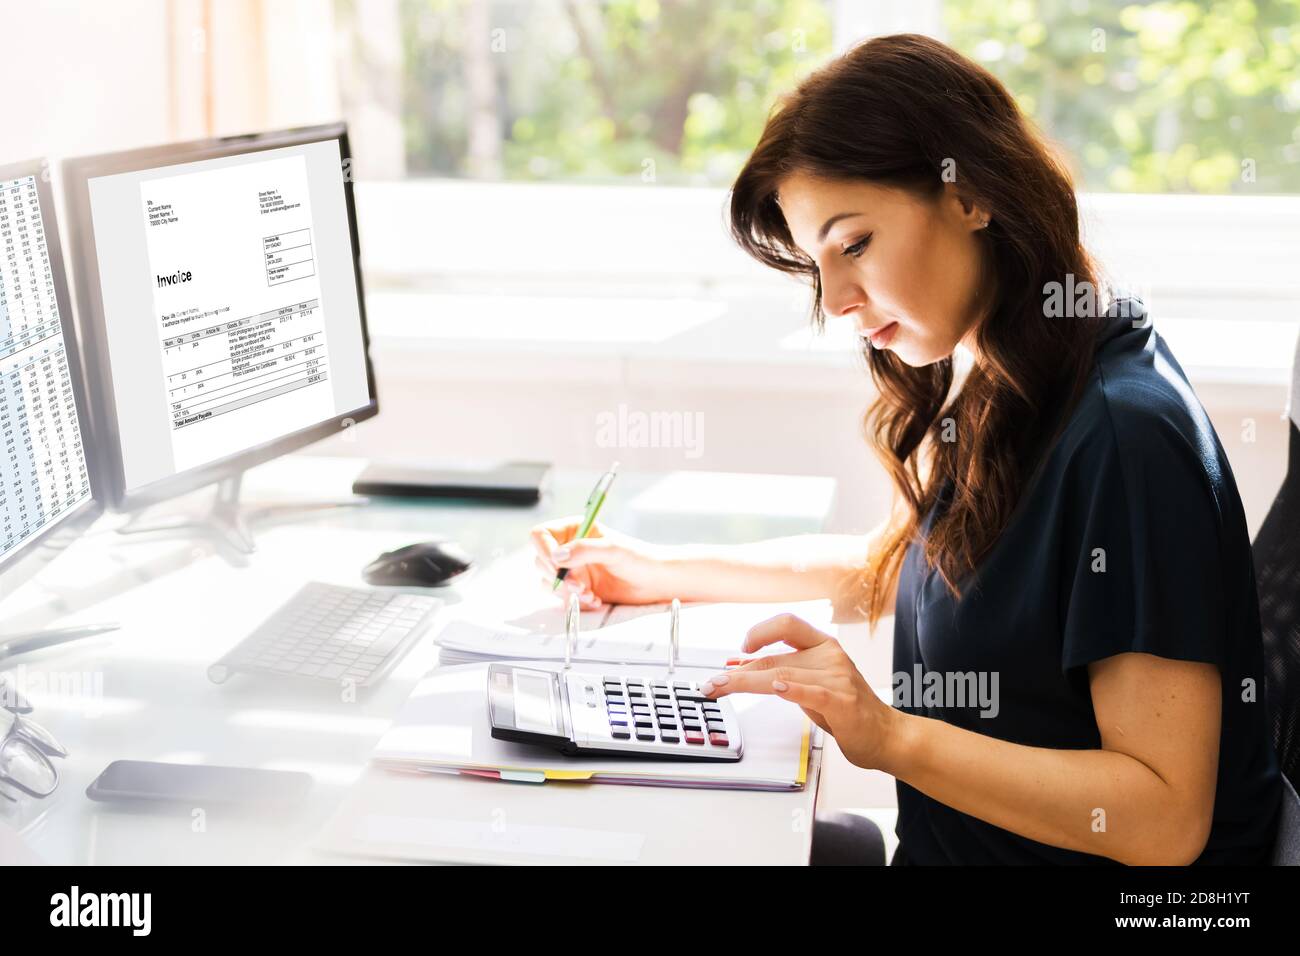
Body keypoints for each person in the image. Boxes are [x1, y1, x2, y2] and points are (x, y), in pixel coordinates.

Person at [530, 34, 1281, 865]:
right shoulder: (1012, 367)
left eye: (854, 245)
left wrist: (886, 735)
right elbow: (908, 567)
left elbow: (1162, 820)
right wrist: (659, 573)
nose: (838, 302)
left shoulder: (1124, 440)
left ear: (972, 195)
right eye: (816, 266)